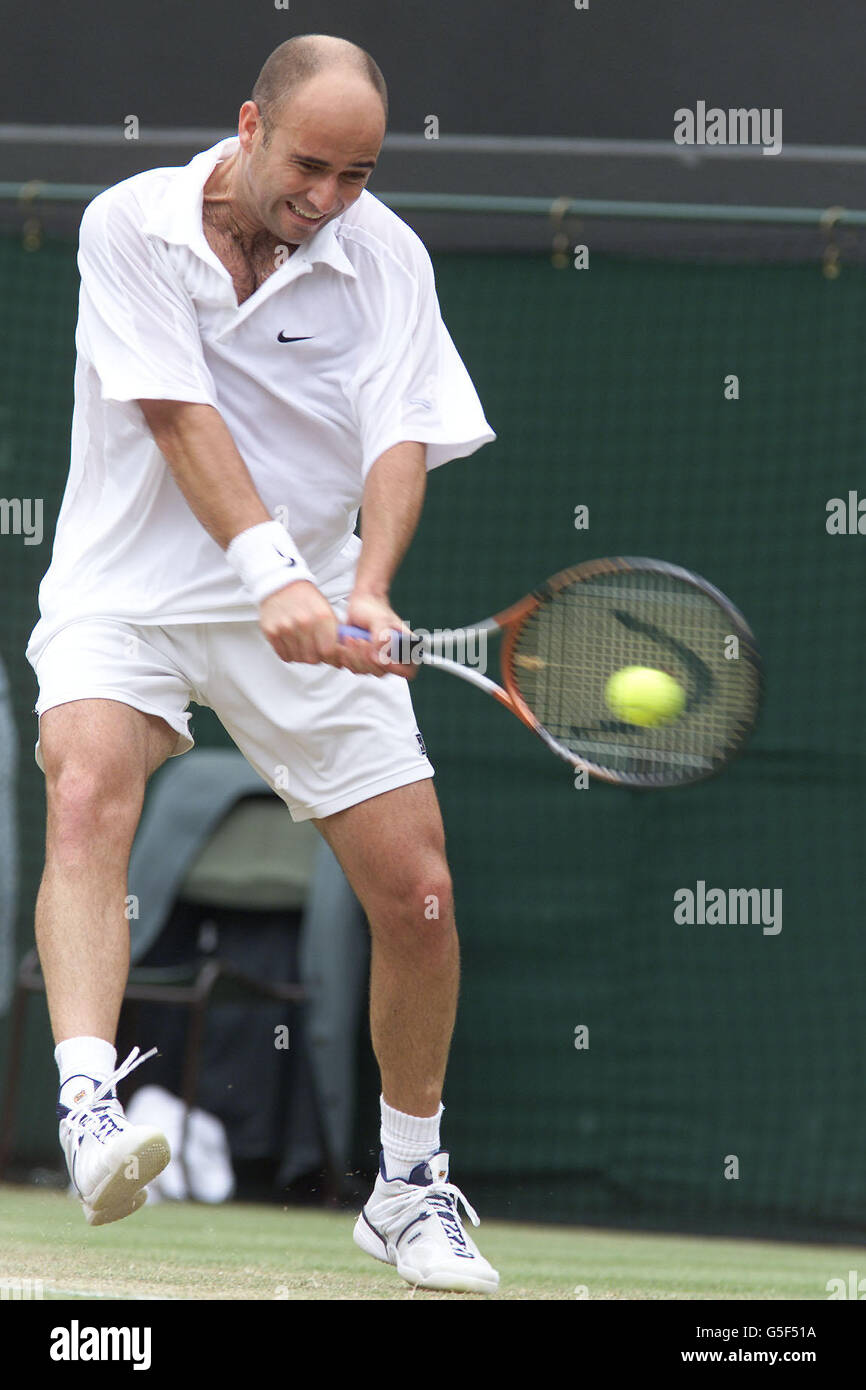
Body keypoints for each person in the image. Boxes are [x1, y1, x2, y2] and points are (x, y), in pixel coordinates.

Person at [25, 34, 498, 1294]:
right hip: (130, 584)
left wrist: (367, 586)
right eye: (310, 164)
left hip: (309, 598)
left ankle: (406, 1184)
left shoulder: (383, 255)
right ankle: (89, 1109)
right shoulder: (129, 224)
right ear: (248, 124)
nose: (331, 197)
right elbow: (177, 417)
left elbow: (398, 436)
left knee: (418, 897)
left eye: (357, 172)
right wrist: (272, 575)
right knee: (84, 791)